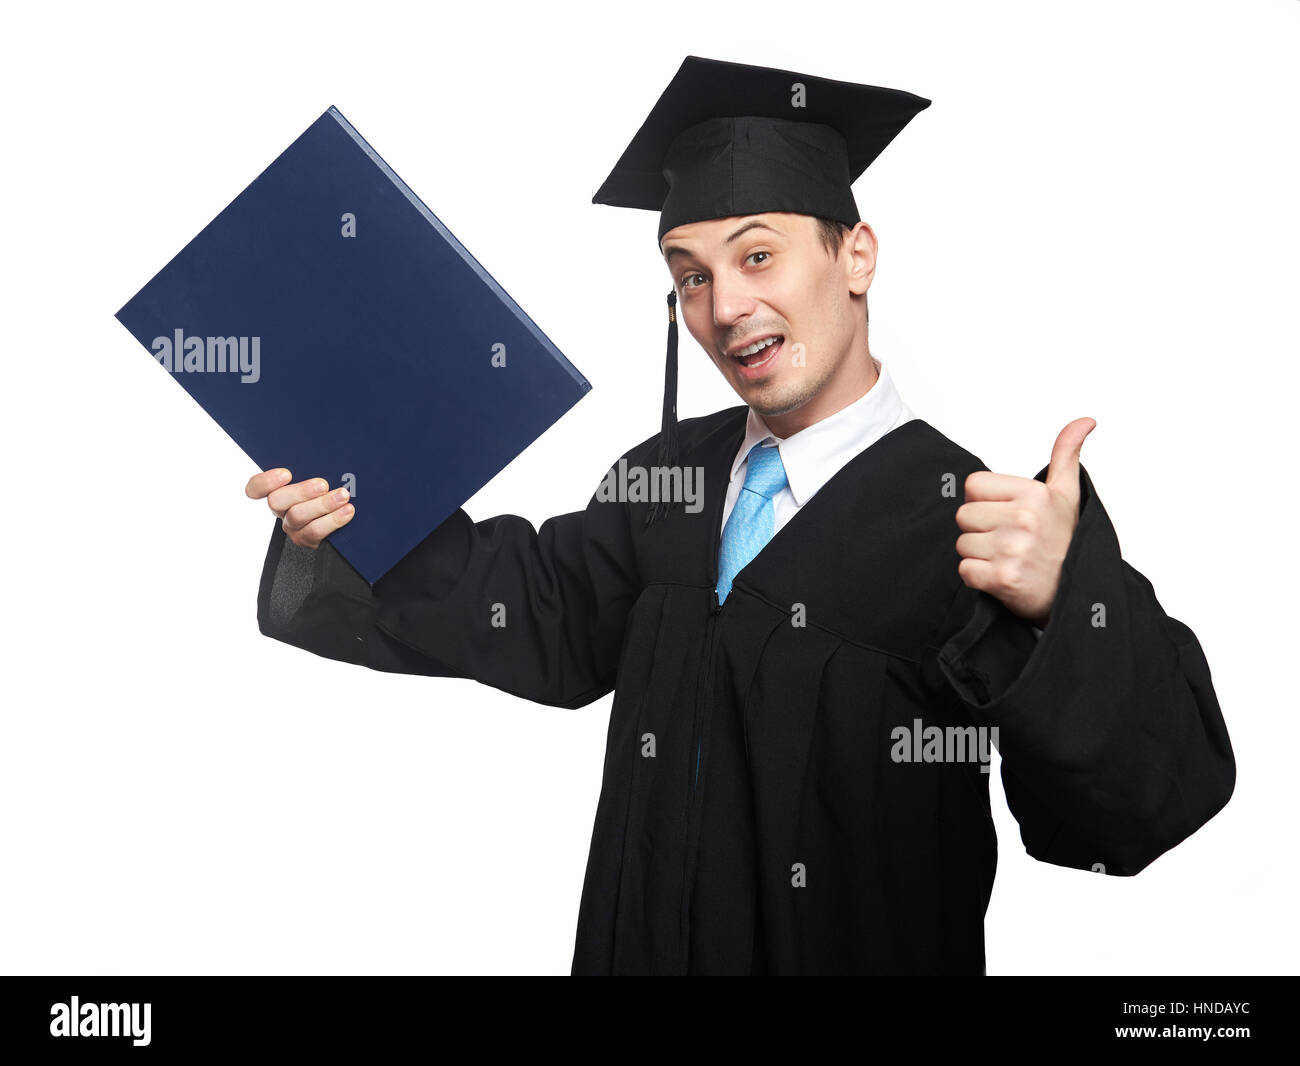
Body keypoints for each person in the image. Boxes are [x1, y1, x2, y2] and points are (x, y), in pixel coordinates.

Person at [244, 56, 1234, 975]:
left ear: (855, 256)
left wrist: (1068, 604)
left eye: (758, 254)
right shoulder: (665, 478)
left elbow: (1134, 812)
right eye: (691, 274)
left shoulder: (972, 524)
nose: (723, 307)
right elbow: (538, 613)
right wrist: (358, 512)